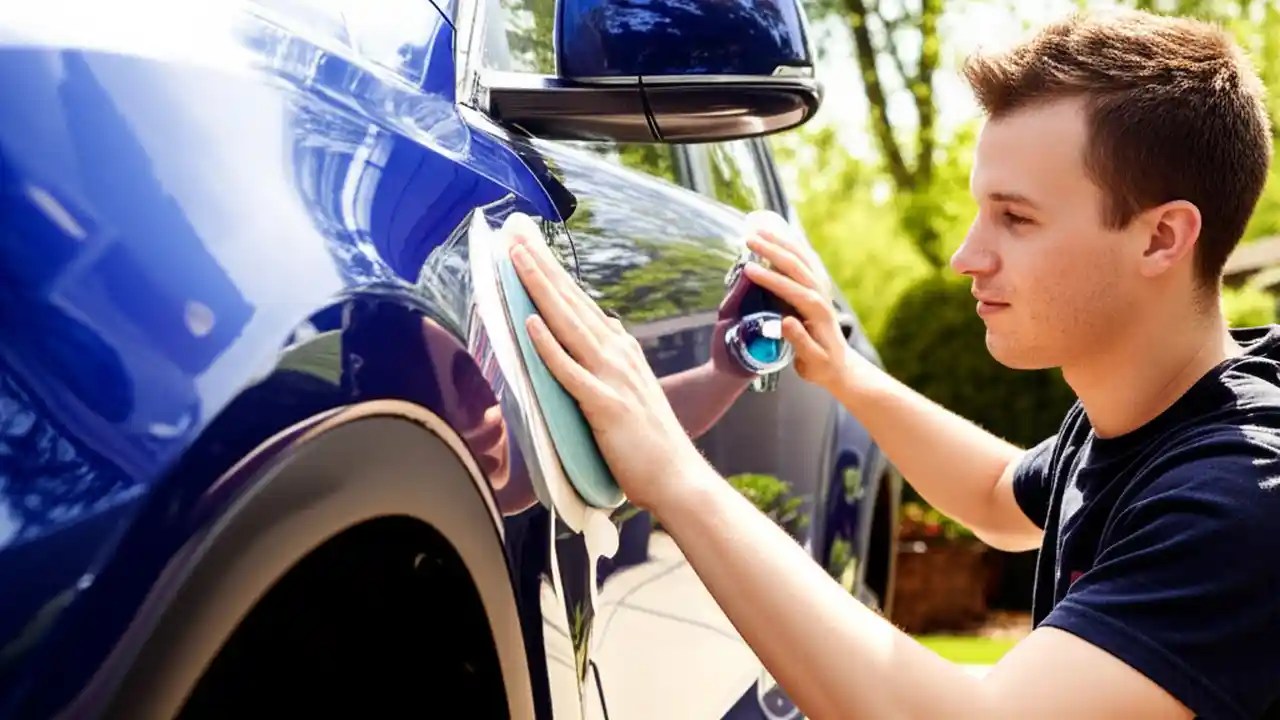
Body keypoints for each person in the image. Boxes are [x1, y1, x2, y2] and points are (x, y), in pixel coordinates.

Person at [509, 7, 1279, 719]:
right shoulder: (1146, 422)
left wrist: (674, 477)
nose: (965, 258)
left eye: (1016, 218)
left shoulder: (1238, 502)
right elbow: (993, 496)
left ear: (1160, 238)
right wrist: (841, 370)